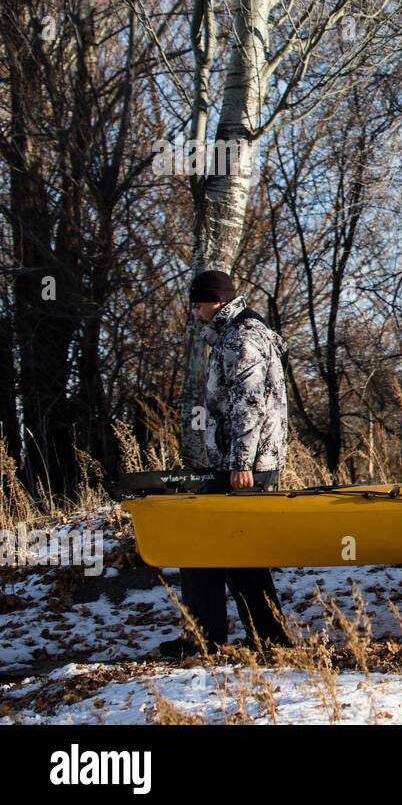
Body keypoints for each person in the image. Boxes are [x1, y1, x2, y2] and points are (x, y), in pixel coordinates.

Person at [158, 270, 291, 657]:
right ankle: (268, 637)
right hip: (251, 459)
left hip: (248, 463)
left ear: (215, 301)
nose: (195, 312)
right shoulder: (239, 334)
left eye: (198, 305)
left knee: (200, 538)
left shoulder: (242, 338)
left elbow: (248, 404)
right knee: (240, 552)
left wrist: (240, 462)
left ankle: (205, 638)